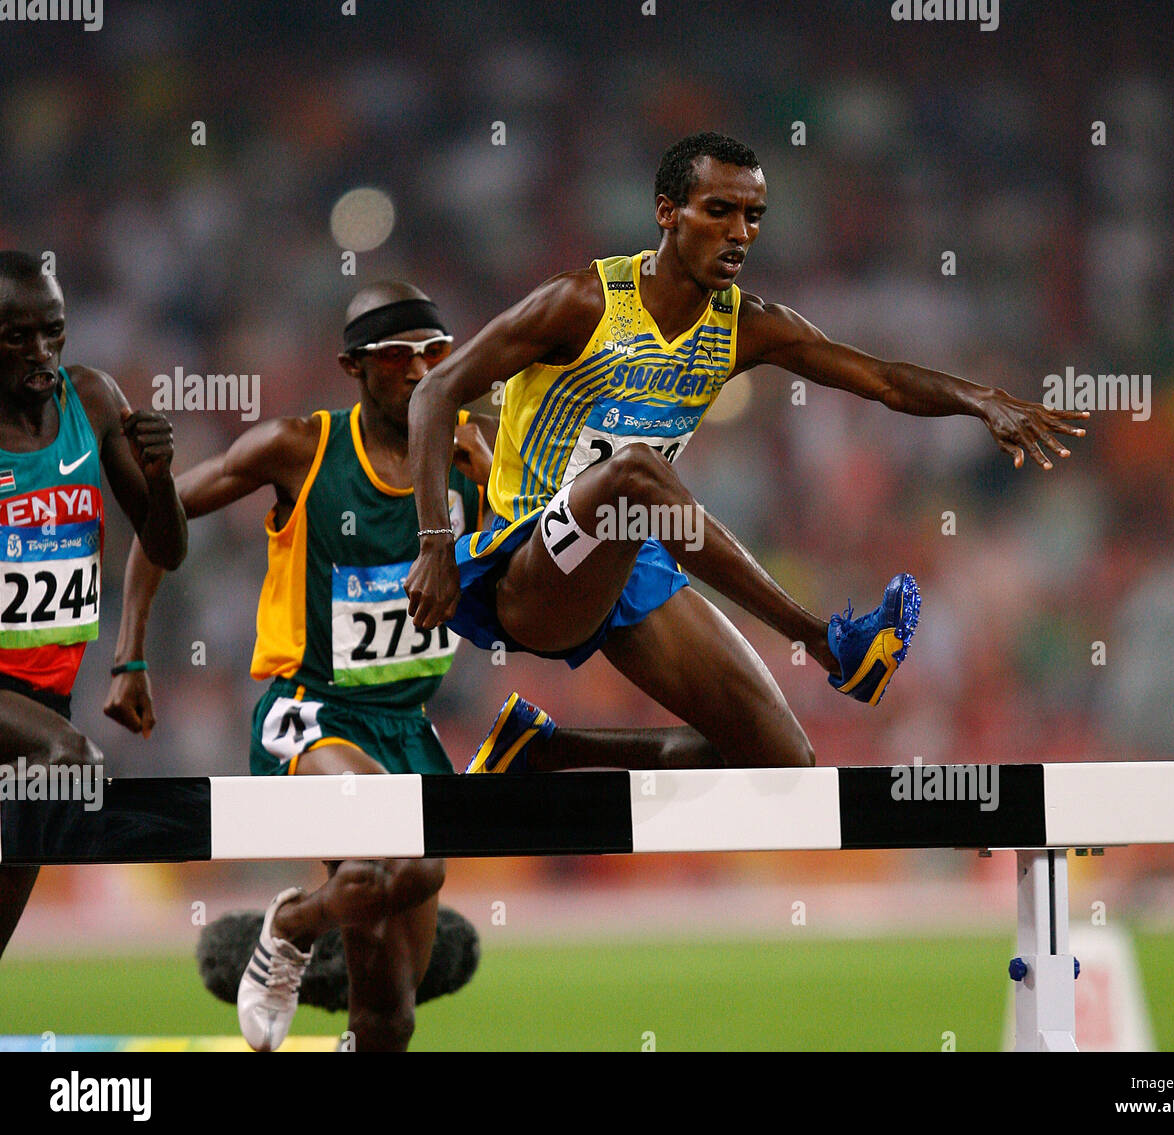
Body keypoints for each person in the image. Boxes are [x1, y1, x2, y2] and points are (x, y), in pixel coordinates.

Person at [404, 132, 1087, 773]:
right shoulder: (581, 303)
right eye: (719, 211)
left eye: (753, 216)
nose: (740, 233)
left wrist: (981, 399)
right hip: (532, 567)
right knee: (636, 472)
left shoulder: (746, 325)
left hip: (627, 563)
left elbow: (882, 380)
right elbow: (435, 391)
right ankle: (824, 641)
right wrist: (435, 543)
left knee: (783, 759)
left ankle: (544, 751)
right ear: (667, 213)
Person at [105, 282, 491, 1052]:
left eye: (434, 353)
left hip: (407, 728)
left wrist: (496, 483)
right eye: (396, 355)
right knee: (399, 851)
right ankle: (288, 926)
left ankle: (318, 943)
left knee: (392, 1005)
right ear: (354, 365)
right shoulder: (301, 448)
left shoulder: (470, 455)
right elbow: (159, 518)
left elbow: (527, 576)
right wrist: (130, 655)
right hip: (313, 714)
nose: (420, 370)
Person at [0, 250, 187, 960]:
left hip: (47, 697)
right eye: (17, 336)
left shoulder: (94, 400)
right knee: (71, 760)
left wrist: (161, 478)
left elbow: (166, 548)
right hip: (20, 713)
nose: (40, 352)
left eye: (53, 330)